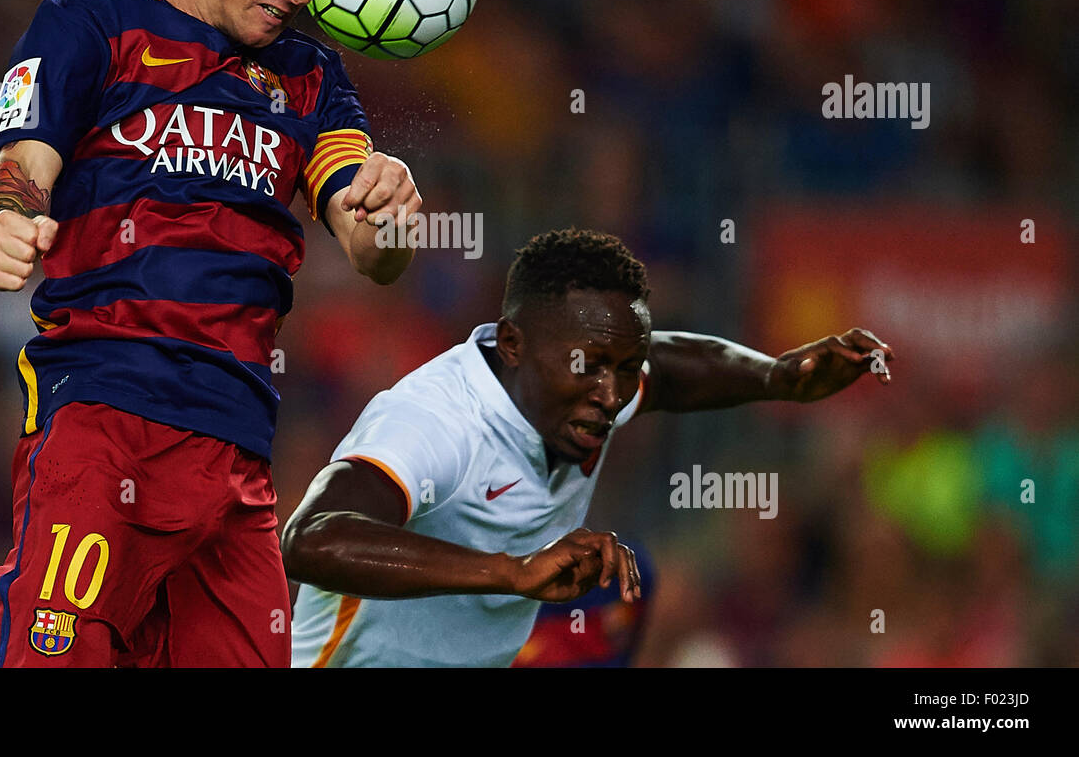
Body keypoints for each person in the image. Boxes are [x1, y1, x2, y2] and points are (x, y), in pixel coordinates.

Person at [0, 0, 420, 668]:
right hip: (103, 417)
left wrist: (391, 214)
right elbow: (22, 156)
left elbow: (370, 248)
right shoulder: (93, 20)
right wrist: (11, 216)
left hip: (236, 461)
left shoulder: (313, 80)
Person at [285, 228, 893, 667]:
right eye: (592, 367)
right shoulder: (435, 420)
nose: (612, 395)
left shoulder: (590, 387)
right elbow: (311, 538)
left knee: (624, 585)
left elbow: (675, 368)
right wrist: (510, 572)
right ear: (515, 344)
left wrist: (777, 377)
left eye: (626, 368)